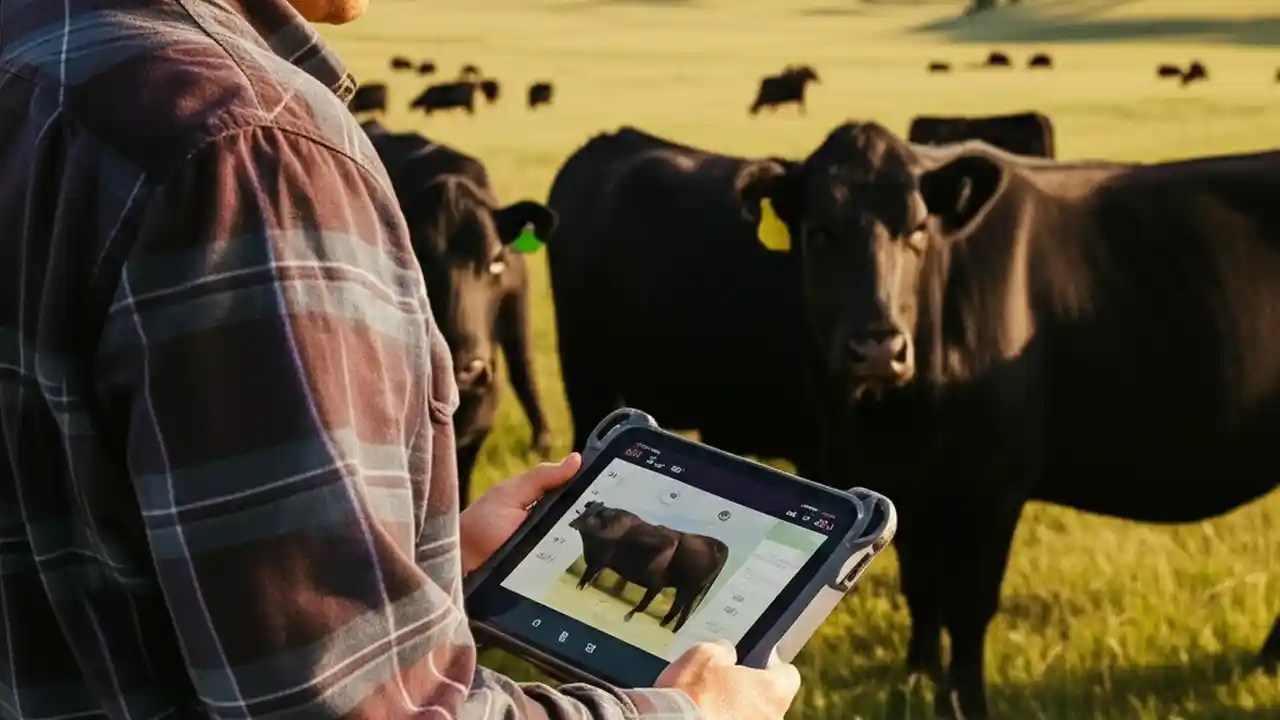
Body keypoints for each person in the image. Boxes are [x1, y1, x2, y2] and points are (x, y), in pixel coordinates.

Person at [0, 0, 802, 718]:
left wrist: (409, 558)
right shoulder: (254, 154)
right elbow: (357, 709)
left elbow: (80, 536)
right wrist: (680, 715)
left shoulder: (32, 50)